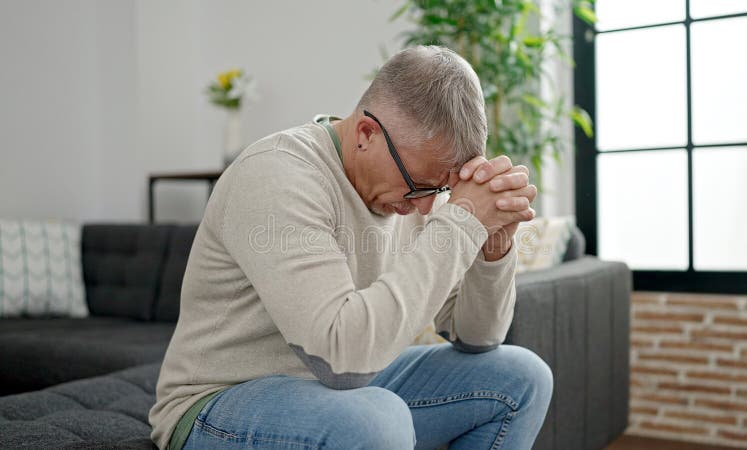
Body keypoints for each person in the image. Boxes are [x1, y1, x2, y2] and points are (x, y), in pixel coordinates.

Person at [149, 45, 553, 450]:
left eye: (443, 189)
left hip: (342, 391)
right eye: (421, 187)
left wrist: (493, 249)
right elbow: (339, 361)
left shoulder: (413, 188)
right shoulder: (278, 175)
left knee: (522, 377)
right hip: (218, 402)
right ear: (365, 134)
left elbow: (476, 337)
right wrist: (460, 224)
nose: (430, 205)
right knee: (375, 421)